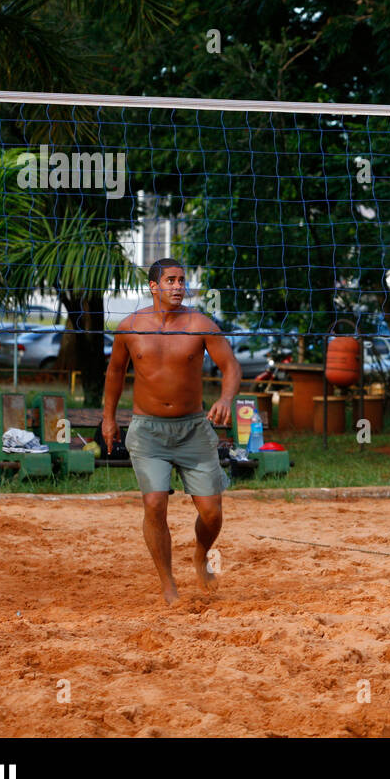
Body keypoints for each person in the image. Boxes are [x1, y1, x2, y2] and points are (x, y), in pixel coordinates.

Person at [102, 258, 241, 605]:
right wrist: (108, 418)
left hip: (193, 429)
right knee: (154, 504)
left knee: (212, 513)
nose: (178, 286)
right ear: (153, 286)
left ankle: (199, 554)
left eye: (182, 280)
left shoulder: (200, 324)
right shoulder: (131, 326)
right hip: (147, 431)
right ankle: (168, 585)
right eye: (170, 281)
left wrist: (226, 398)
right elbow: (115, 373)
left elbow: (231, 366)